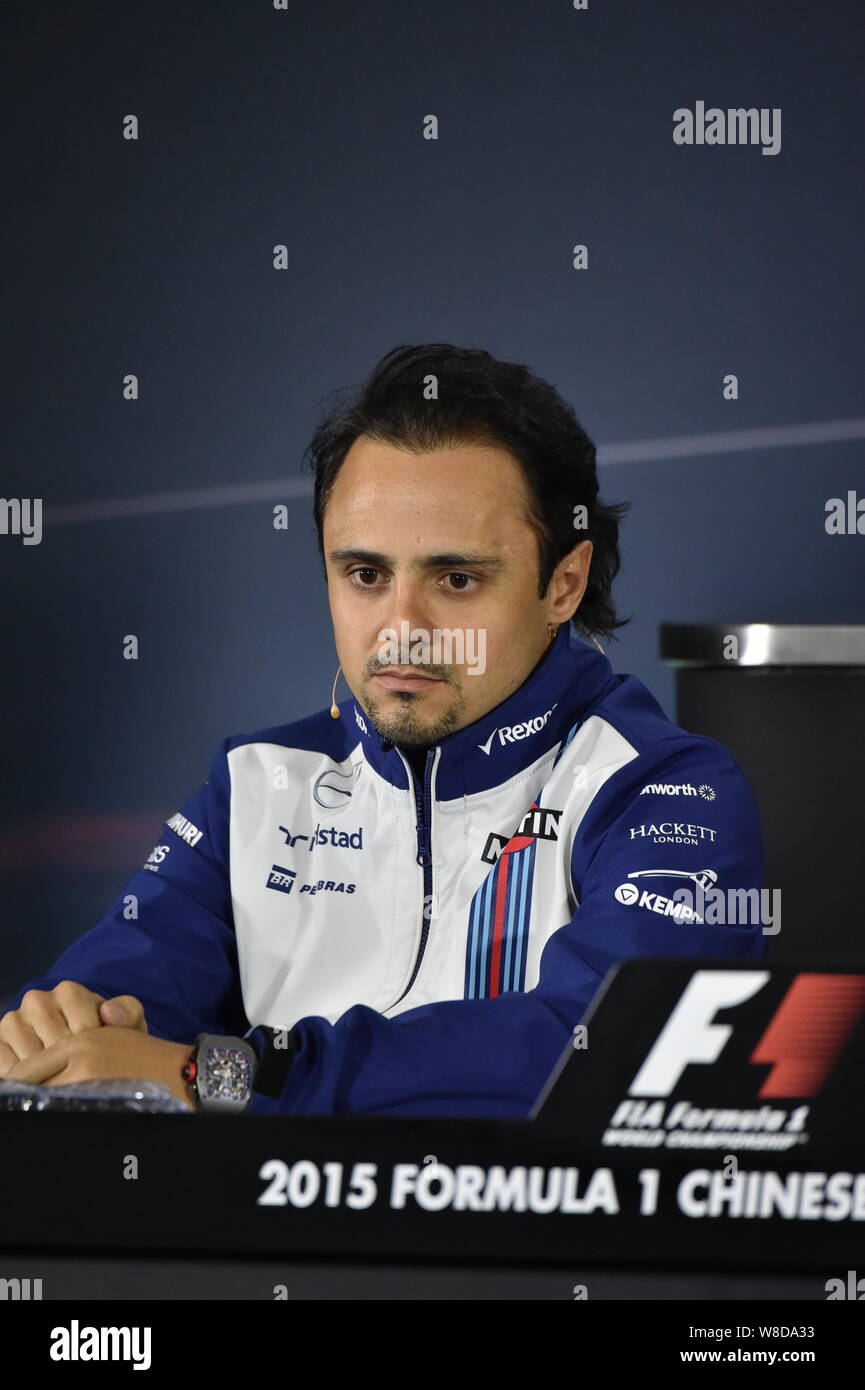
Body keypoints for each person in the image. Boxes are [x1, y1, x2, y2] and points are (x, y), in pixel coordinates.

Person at [0, 344, 766, 1116]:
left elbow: (605, 1051)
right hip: (247, 1234)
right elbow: (115, 997)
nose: (402, 629)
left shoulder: (661, 789)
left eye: (456, 579)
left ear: (562, 583)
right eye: (366, 576)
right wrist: (57, 1033)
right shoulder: (258, 784)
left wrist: (224, 1080)